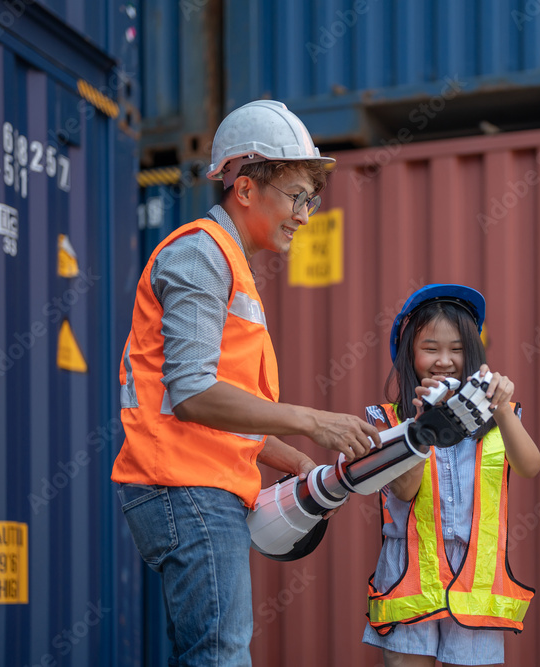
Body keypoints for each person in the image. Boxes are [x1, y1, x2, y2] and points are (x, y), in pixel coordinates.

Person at [111, 100, 380, 666]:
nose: (305, 215)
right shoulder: (199, 256)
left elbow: (228, 416)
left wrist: (302, 466)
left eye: (312, 199)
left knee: (219, 652)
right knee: (220, 655)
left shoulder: (231, 264)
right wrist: (313, 421)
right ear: (246, 187)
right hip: (185, 488)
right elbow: (192, 395)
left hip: (198, 485)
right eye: (297, 196)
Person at [362, 284, 540, 667]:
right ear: (409, 353)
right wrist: (420, 426)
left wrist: (504, 409)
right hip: (408, 574)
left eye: (457, 349)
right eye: (431, 348)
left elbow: (530, 466)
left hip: (477, 577)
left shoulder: (498, 417)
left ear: (473, 353)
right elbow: (405, 490)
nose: (444, 360)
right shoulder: (389, 420)